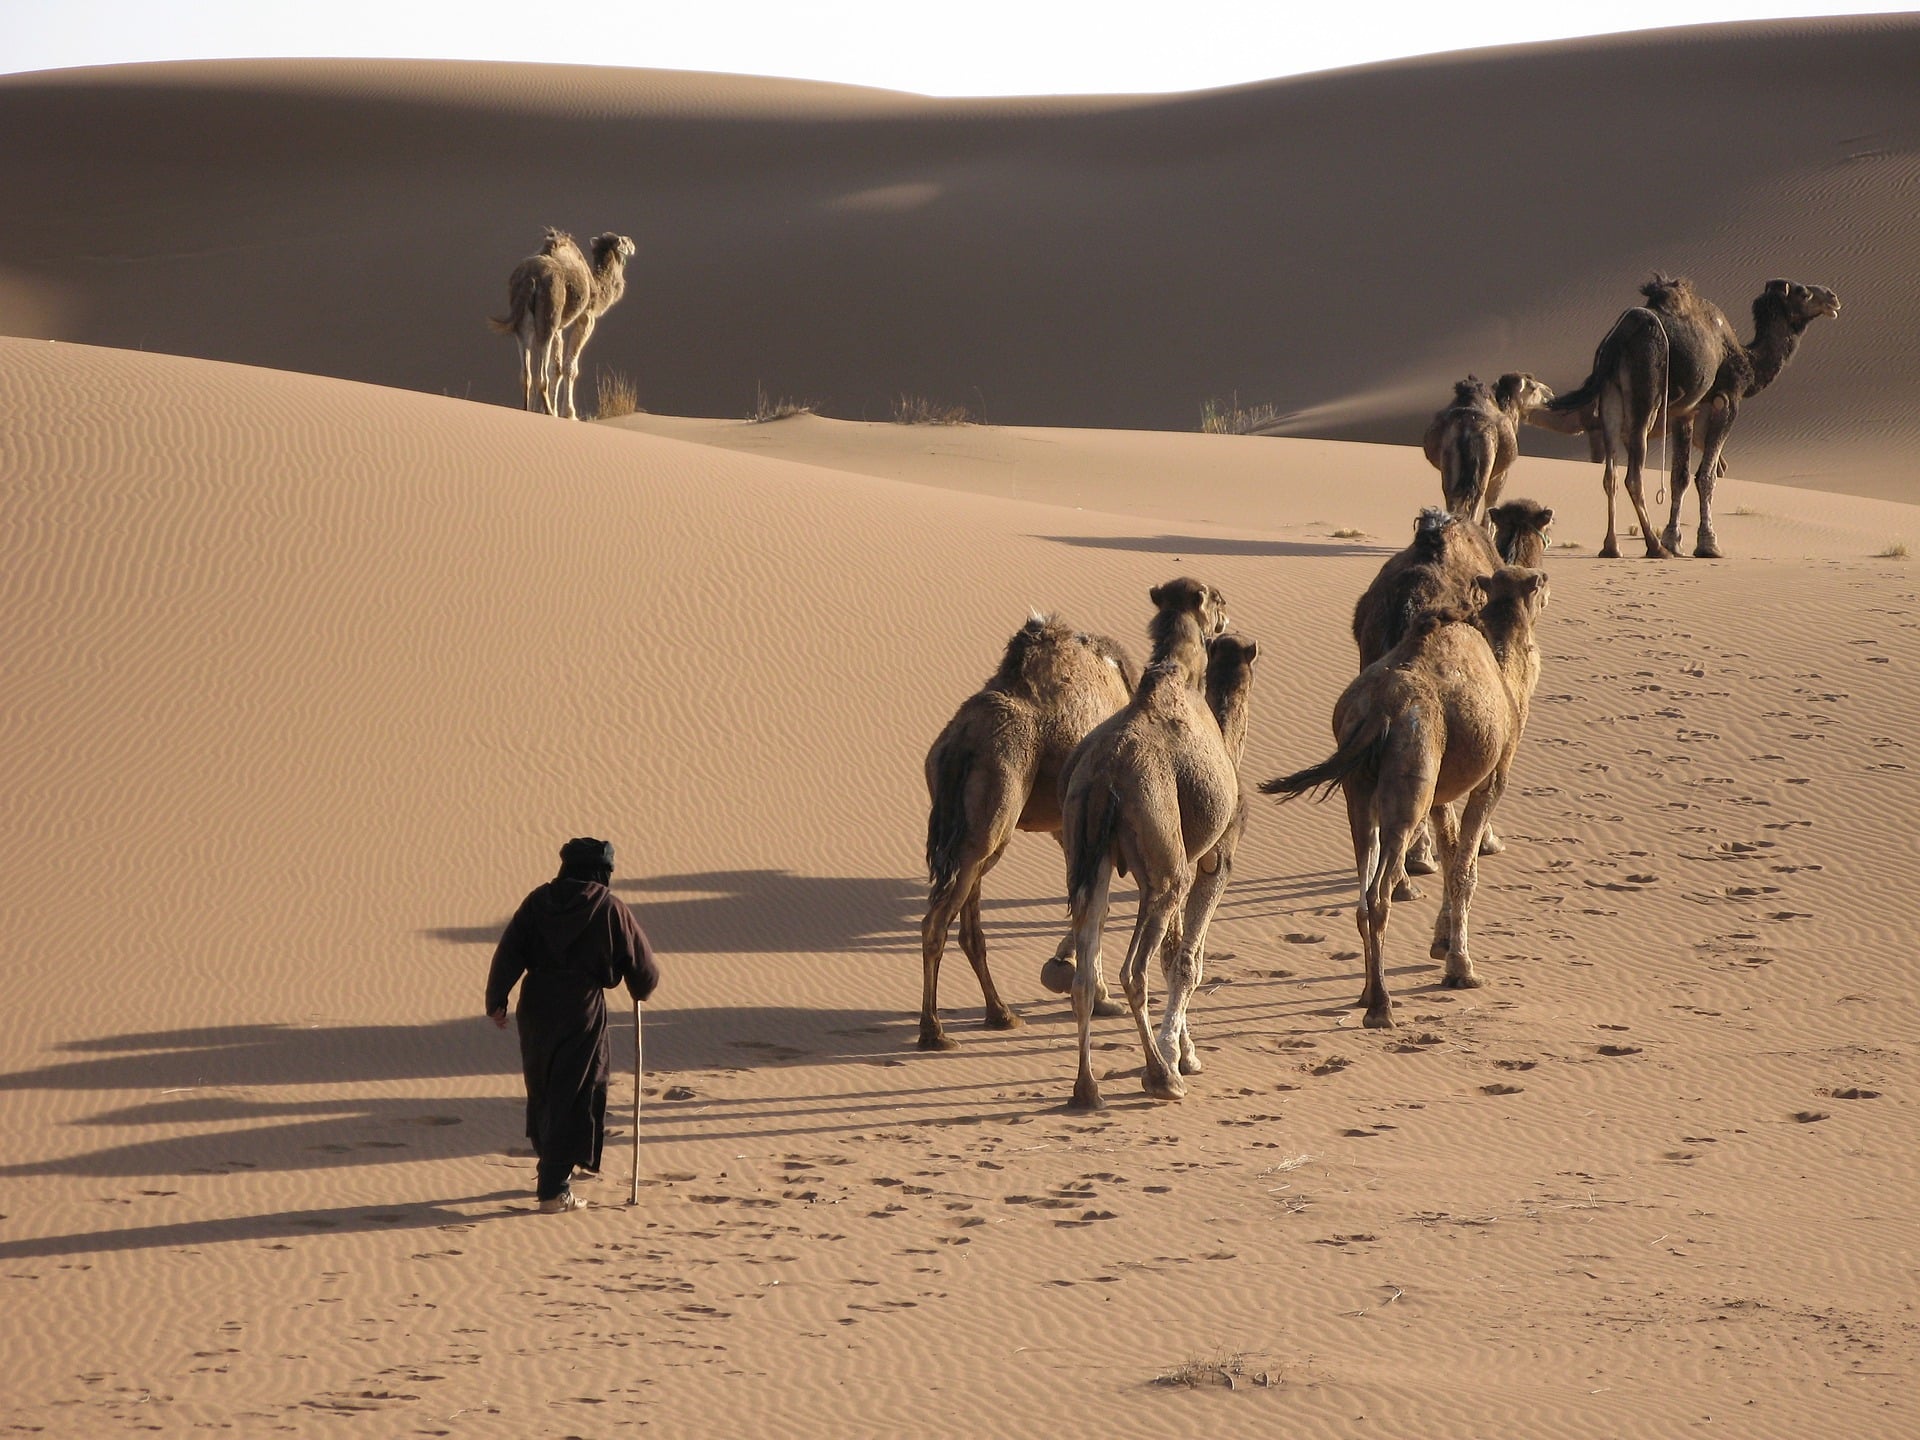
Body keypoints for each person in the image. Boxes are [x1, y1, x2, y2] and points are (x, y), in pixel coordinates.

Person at [487, 837, 659, 1213]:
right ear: (601, 871)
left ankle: (551, 1169)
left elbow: (510, 948)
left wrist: (497, 998)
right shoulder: (608, 908)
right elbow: (642, 963)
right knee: (576, 1091)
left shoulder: (537, 902)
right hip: (580, 1008)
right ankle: (553, 1188)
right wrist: (640, 986)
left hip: (536, 1007)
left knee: (545, 1086)